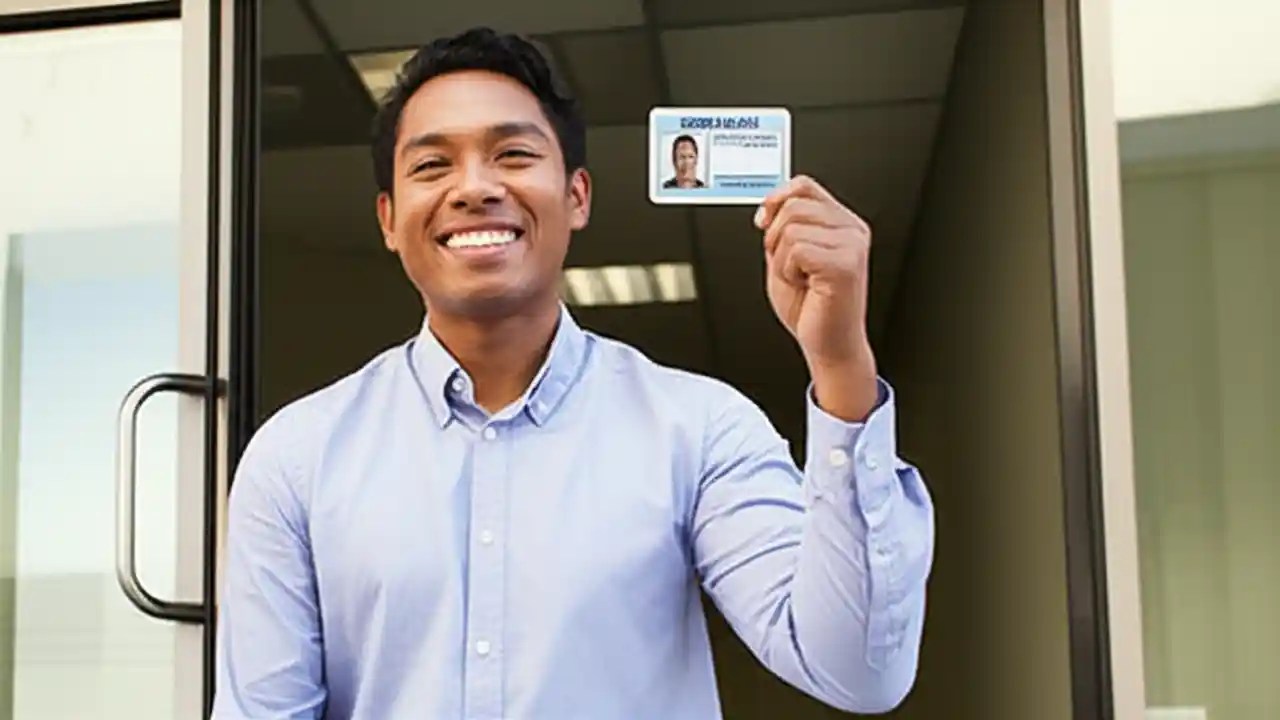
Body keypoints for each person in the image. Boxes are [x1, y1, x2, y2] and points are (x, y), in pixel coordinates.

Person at [213, 26, 934, 720]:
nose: (474, 188)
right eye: (432, 165)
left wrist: (840, 365)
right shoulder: (295, 458)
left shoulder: (698, 429)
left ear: (578, 196)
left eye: (514, 155)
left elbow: (857, 672)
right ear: (389, 218)